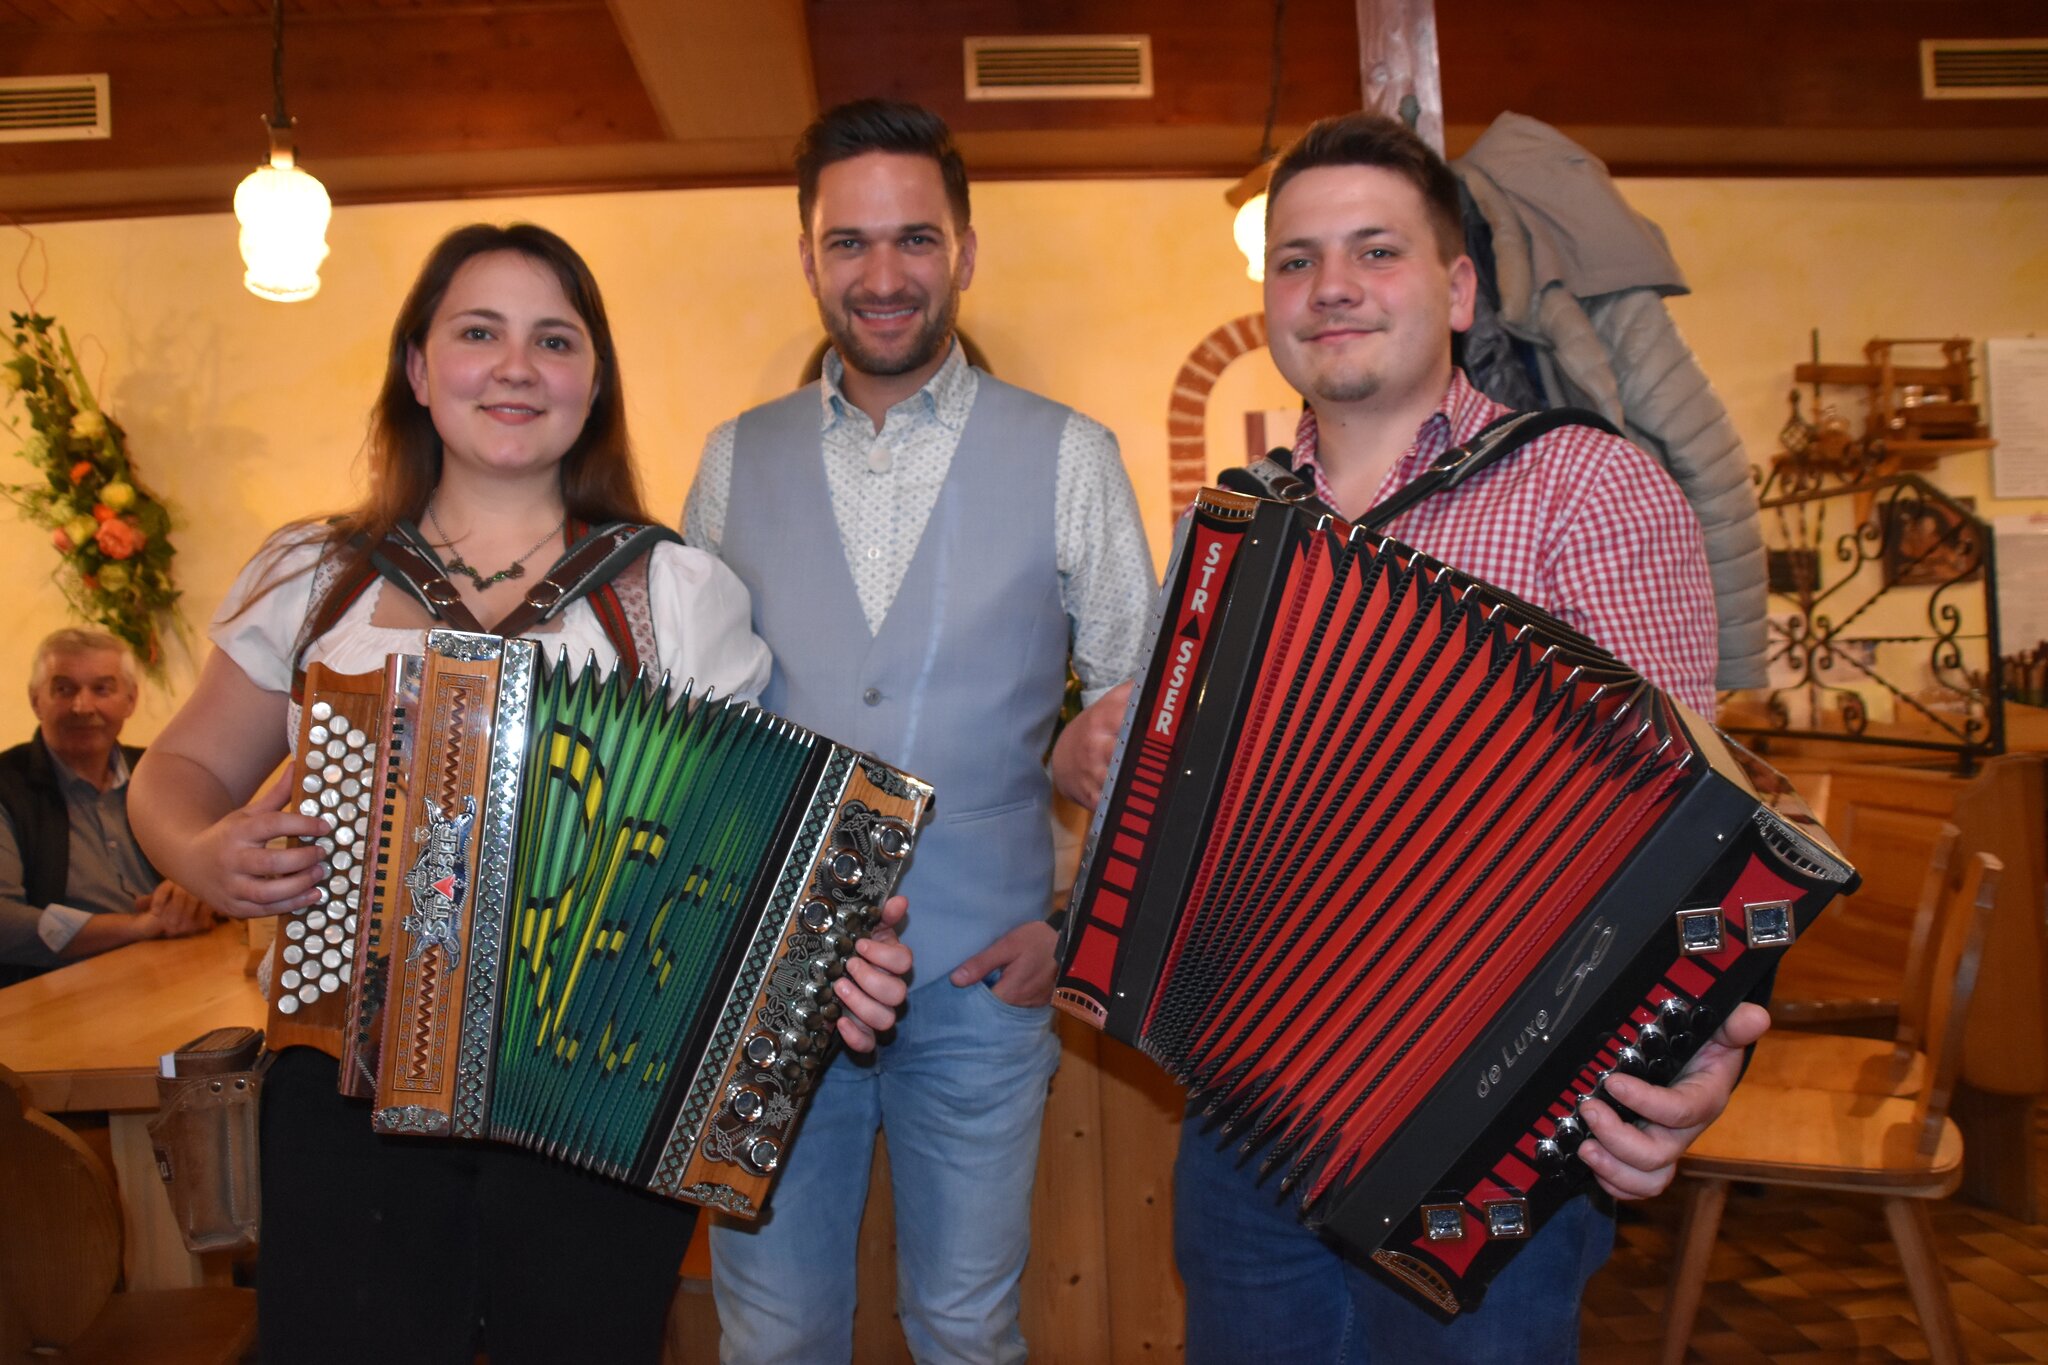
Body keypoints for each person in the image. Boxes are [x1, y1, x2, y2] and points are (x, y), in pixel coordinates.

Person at [130, 222, 913, 1365]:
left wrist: (835, 951)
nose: (515, 367)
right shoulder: (315, 576)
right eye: (477, 333)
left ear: (592, 383)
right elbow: (177, 772)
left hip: (593, 1109)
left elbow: (749, 862)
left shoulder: (675, 593)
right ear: (417, 368)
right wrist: (201, 854)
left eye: (553, 340)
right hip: (343, 1098)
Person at [1150, 112, 1772, 1365]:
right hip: (1242, 1115)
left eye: (1375, 251)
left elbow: (1685, 835)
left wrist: (1695, 1060)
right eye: (1295, 260)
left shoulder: (1589, 487)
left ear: (1457, 288)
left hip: (1489, 1118)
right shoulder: (1231, 527)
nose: (1330, 286)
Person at [684, 99, 1155, 1364]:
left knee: (963, 1329)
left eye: (914, 239)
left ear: (964, 251)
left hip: (982, 988)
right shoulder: (730, 462)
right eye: (849, 242)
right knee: (772, 1335)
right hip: (765, 987)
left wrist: (1076, 930)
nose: (882, 275)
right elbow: (693, 727)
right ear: (807, 257)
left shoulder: (1071, 456)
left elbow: (1150, 727)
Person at [0, 627, 213, 984]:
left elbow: (221, 863)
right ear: (36, 700)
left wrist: (197, 891)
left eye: (102, 689)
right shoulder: (8, 787)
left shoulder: (159, 772)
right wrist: (137, 927)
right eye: (64, 689)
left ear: (130, 700)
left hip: (180, 970)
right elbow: (3, 922)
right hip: (60, 991)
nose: (83, 707)